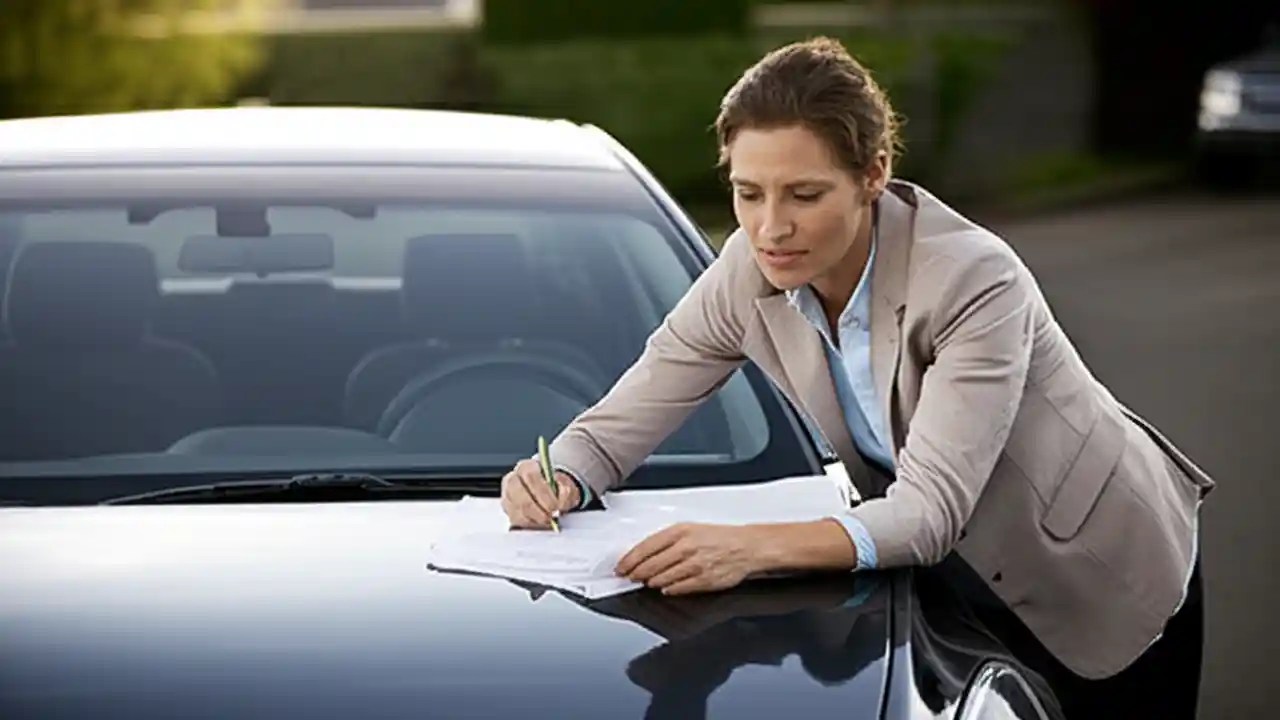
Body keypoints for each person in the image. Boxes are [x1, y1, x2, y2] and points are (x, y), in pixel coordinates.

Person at [499, 36, 1214, 719]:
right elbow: (624, 418)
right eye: (748, 193)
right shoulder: (745, 273)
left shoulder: (972, 280)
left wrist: (745, 548)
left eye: (803, 194)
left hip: (1100, 578)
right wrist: (562, 473)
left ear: (873, 174)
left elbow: (928, 514)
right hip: (948, 583)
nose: (770, 228)